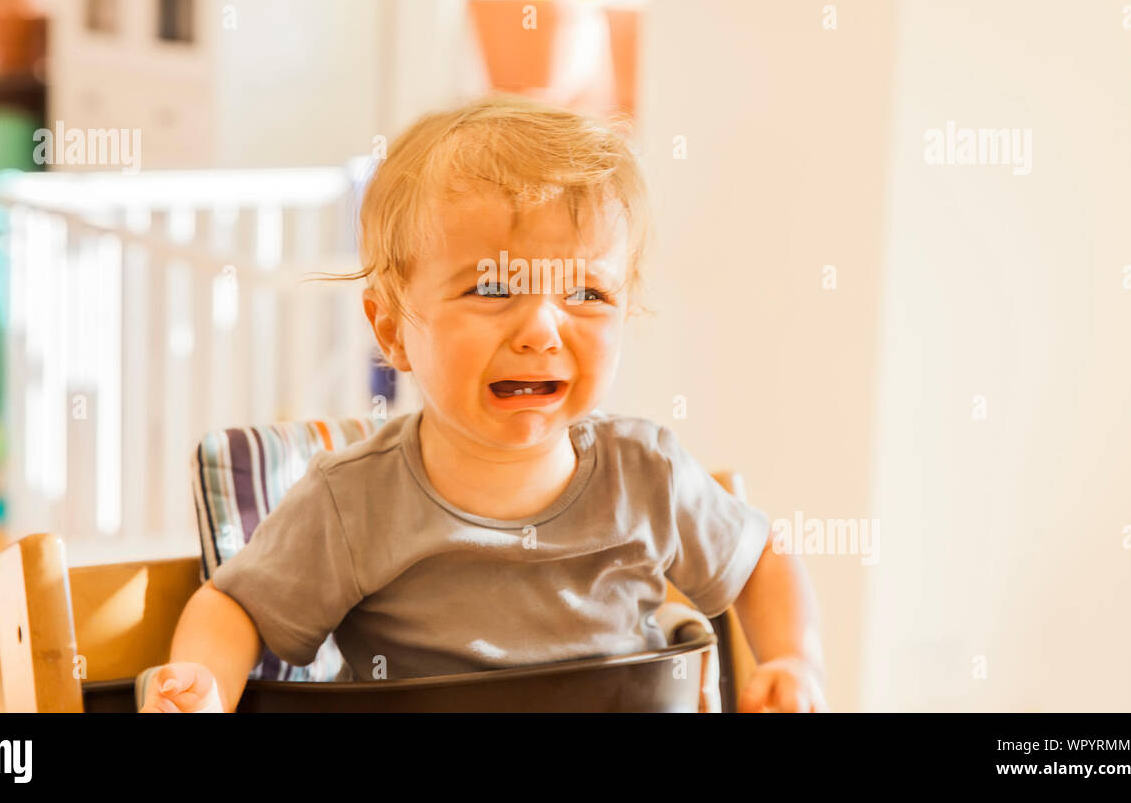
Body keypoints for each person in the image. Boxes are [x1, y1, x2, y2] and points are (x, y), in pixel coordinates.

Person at [140, 94, 827, 713]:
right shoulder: (353, 502)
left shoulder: (648, 473)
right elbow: (235, 602)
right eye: (494, 289)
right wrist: (200, 684)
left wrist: (793, 659)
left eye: (586, 293)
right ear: (390, 329)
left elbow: (762, 556)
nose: (540, 330)